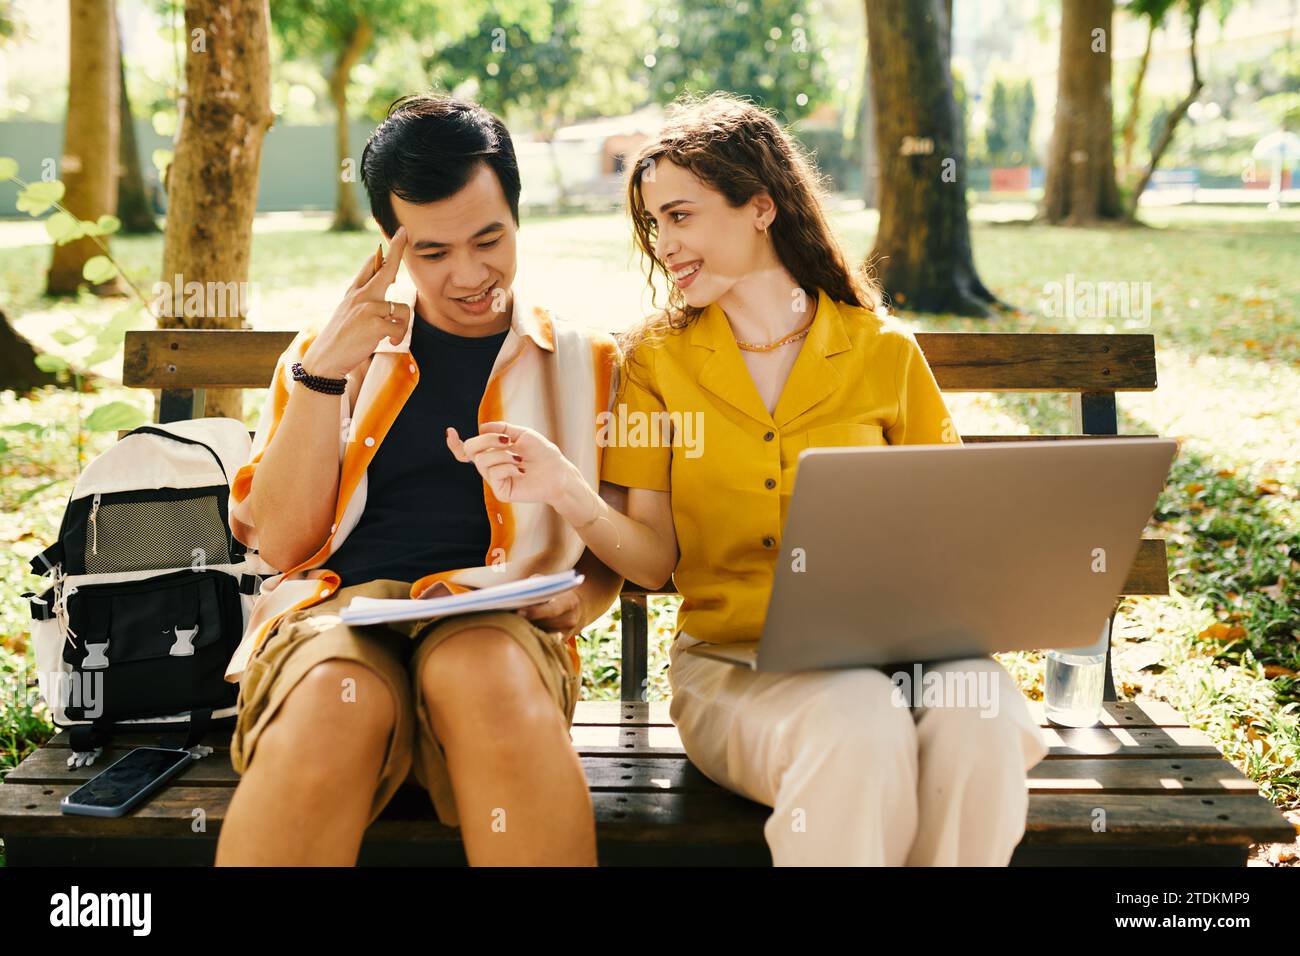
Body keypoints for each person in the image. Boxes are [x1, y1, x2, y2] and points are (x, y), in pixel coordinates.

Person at [453, 92, 1049, 866]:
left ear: (760, 207)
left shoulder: (883, 352)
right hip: (737, 669)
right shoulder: (656, 363)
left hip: (905, 659)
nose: (663, 243)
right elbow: (653, 562)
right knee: (858, 718)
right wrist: (568, 486)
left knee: (984, 717)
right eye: (654, 223)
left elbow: (954, 535)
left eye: (681, 215)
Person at [215, 95, 624, 866]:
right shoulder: (328, 354)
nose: (469, 275)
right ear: (388, 242)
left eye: (489, 238)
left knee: (483, 673)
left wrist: (580, 600)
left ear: (517, 212)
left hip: (495, 615)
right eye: (432, 253)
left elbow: (609, 548)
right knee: (337, 701)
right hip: (339, 610)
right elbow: (281, 541)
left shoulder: (586, 363)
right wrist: (322, 377)